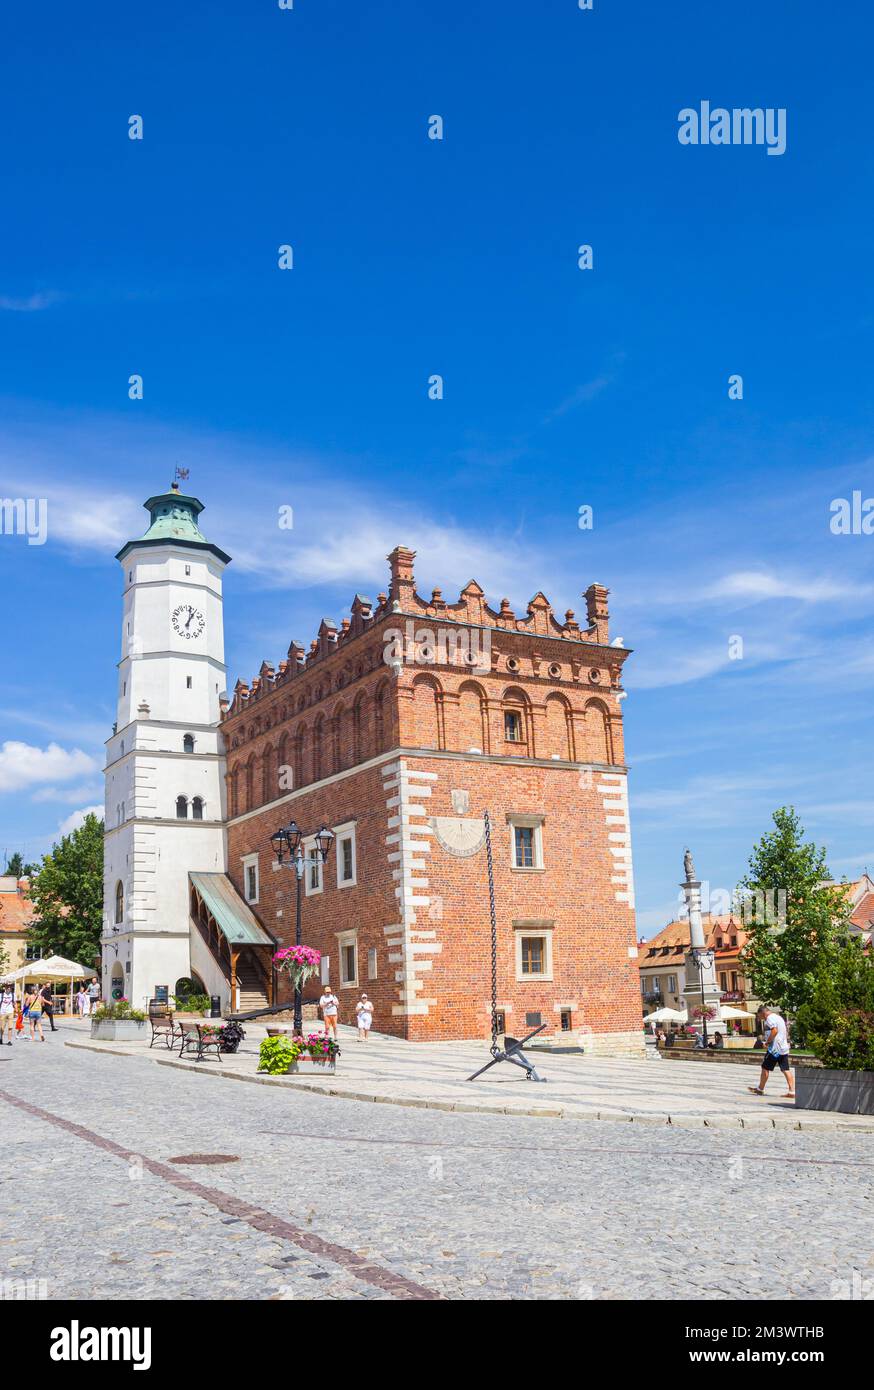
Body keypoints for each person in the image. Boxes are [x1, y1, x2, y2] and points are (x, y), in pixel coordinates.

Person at [749, 1005, 794, 1098]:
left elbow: (774, 1031)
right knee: (785, 1069)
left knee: (765, 1067)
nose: (760, 1018)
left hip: (774, 1049)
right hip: (783, 1048)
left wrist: (767, 1042)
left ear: (763, 1013)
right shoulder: (779, 1017)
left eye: (760, 1016)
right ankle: (792, 1091)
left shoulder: (769, 1018)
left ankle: (760, 1089)